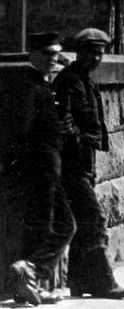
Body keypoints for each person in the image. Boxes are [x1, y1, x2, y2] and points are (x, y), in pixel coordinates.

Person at [52, 28, 124, 300]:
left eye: (100, 53)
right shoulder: (69, 81)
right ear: (80, 53)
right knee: (94, 219)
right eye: (91, 53)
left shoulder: (84, 80)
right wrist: (80, 143)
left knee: (83, 221)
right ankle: (103, 281)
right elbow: (64, 122)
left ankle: (79, 281)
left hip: (84, 163)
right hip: (72, 164)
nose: (96, 58)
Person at [3, 31, 74, 306]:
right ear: (32, 54)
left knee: (57, 225)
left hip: (49, 169)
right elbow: (20, 132)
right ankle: (30, 272)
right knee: (56, 226)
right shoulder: (28, 87)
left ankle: (29, 278)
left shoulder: (41, 82)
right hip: (39, 171)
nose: (53, 58)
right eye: (47, 53)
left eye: (56, 53)